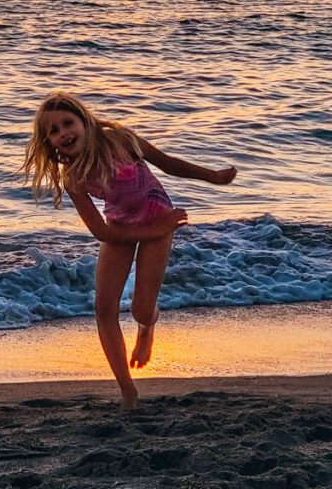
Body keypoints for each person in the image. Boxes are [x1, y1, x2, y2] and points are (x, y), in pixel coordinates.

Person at [23, 91, 237, 409]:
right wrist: (151, 230)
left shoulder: (121, 141)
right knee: (103, 308)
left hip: (157, 217)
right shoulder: (74, 177)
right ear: (49, 142)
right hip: (121, 228)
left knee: (139, 309)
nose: (63, 133)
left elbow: (167, 163)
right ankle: (127, 391)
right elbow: (100, 231)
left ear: (85, 121)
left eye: (68, 123)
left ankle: (147, 327)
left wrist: (212, 176)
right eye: (53, 131)